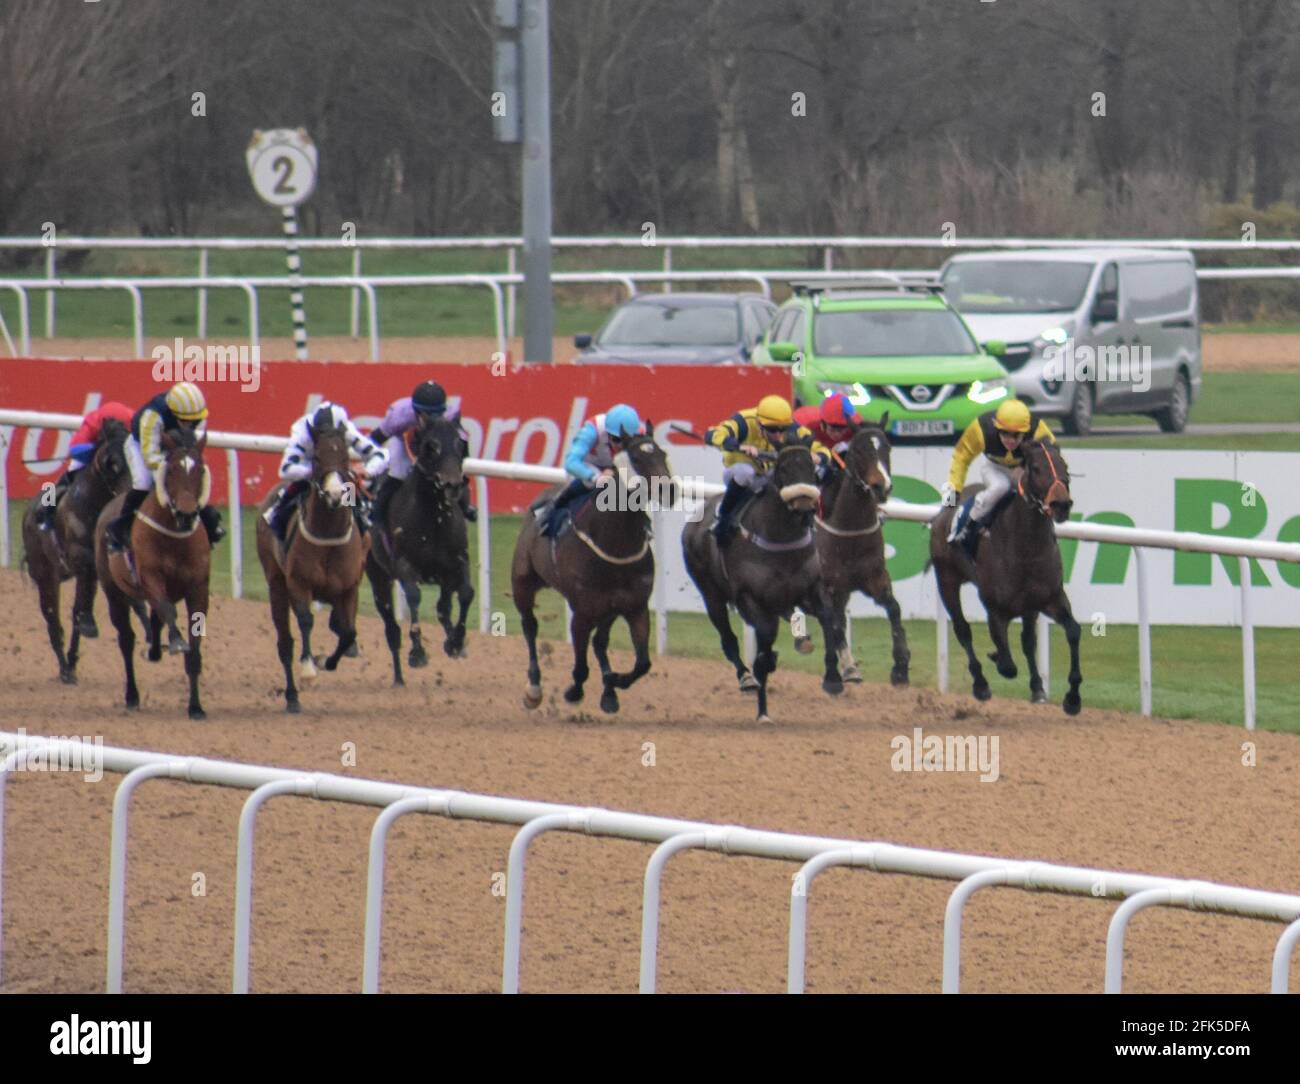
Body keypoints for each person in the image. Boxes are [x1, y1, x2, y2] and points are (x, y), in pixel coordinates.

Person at [106, 383, 224, 552]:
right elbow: (151, 457)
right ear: (174, 413)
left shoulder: (197, 416)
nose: (190, 425)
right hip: (142, 446)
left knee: (190, 479)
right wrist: (172, 467)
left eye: (194, 421)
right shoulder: (152, 417)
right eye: (185, 421)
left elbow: (193, 449)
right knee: (144, 482)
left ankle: (210, 524)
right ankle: (119, 528)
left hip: (176, 449)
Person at [706, 393, 828, 544]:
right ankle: (723, 518)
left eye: (782, 430)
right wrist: (737, 445)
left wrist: (819, 456)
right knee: (746, 472)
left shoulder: (793, 427)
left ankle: (806, 519)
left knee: (795, 471)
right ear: (759, 423)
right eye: (772, 430)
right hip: (740, 473)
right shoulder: (743, 421)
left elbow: (820, 448)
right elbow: (713, 434)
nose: (778, 435)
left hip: (770, 474)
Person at [946, 398, 1057, 558]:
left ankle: (1047, 535)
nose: (1010, 440)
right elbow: (961, 456)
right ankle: (967, 525)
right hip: (993, 468)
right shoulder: (981, 428)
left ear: (1026, 432)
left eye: (1017, 435)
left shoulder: (1039, 430)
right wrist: (953, 490)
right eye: (1005, 433)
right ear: (996, 428)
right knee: (1001, 487)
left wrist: (1026, 468)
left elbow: (1052, 458)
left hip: (1024, 469)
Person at [263, 401, 389, 541]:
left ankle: (362, 535)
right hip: (310, 470)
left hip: (340, 473)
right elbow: (285, 470)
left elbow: (381, 455)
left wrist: (368, 470)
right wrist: (315, 472)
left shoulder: (346, 430)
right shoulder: (303, 433)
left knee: (360, 511)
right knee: (282, 509)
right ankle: (278, 526)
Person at [366, 380, 477, 531]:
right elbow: (375, 439)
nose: (434, 419)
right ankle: (376, 514)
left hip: (434, 448)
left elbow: (462, 442)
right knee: (398, 474)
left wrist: (458, 467)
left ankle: (465, 506)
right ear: (417, 412)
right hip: (405, 443)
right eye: (429, 415)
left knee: (454, 474)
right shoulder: (399, 416)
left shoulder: (450, 415)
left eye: (438, 414)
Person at [540, 403, 643, 536]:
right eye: (617, 439)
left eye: (627, 440)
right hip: (586, 468)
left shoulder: (640, 432)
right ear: (607, 432)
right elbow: (571, 462)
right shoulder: (593, 429)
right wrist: (596, 477)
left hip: (616, 468)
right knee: (596, 483)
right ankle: (550, 514)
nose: (621, 446)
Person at [35, 401, 133, 531]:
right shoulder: (94, 421)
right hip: (93, 452)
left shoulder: (132, 419)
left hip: (124, 451)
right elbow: (76, 449)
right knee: (70, 472)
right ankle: (46, 509)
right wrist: (97, 450)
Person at [792, 393, 861, 456]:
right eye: (833, 429)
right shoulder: (810, 428)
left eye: (842, 429)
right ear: (823, 424)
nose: (837, 434)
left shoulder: (856, 431)